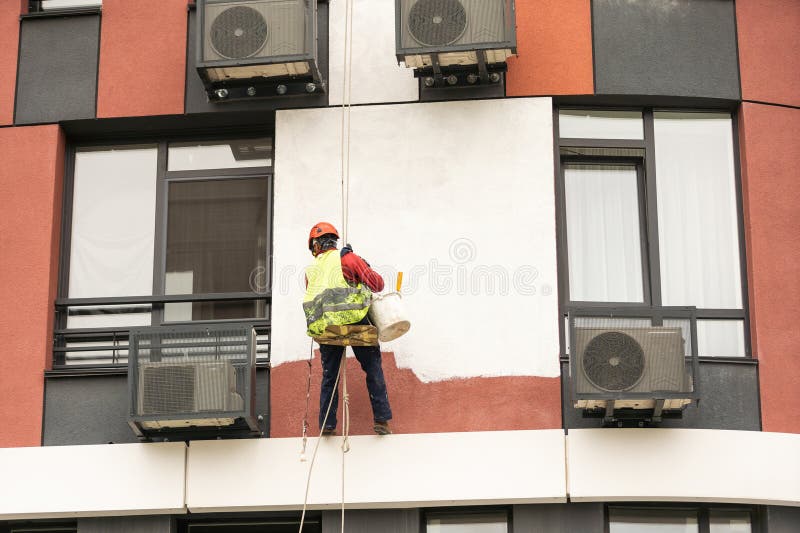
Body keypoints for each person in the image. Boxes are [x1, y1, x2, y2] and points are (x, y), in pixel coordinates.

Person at [303, 222, 393, 436]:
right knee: (373, 368)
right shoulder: (347, 258)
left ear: (315, 246)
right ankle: (381, 420)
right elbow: (378, 285)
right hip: (355, 321)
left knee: (329, 376)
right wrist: (363, 265)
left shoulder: (310, 271)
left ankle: (327, 424)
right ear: (334, 240)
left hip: (327, 329)